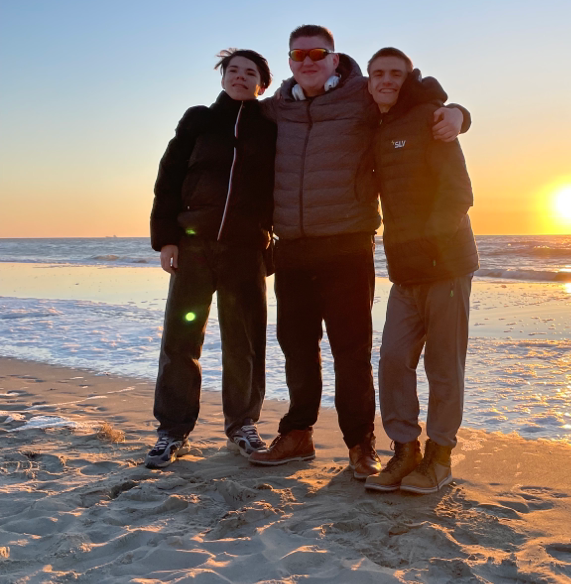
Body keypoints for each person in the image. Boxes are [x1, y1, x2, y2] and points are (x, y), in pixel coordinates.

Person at [247, 26, 469, 479]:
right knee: (296, 348)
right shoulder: (277, 109)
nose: (307, 61)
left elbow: (415, 93)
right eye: (298, 54)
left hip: (347, 244)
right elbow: (235, 115)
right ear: (289, 61)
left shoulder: (361, 95)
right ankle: (297, 434)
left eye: (317, 53)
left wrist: (459, 112)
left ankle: (360, 446)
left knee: (352, 352)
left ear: (334, 59)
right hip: (292, 245)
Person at [146, 49, 277, 469]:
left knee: (245, 342)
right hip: (194, 246)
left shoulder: (272, 125)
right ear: (223, 78)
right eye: (233, 70)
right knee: (181, 341)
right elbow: (168, 179)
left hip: (245, 252)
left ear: (263, 84)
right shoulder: (198, 119)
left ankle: (243, 425)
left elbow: (285, 183)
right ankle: (172, 431)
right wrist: (166, 239)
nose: (240, 77)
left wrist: (273, 242)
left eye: (250, 72)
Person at [364, 47, 478, 494]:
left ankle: (440, 458)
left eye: (396, 73)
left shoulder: (432, 117)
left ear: (408, 77)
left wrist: (431, 244)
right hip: (404, 270)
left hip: (447, 266)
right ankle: (405, 450)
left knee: (444, 365)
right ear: (369, 81)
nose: (387, 80)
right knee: (393, 359)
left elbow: (459, 192)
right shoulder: (377, 125)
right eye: (378, 74)